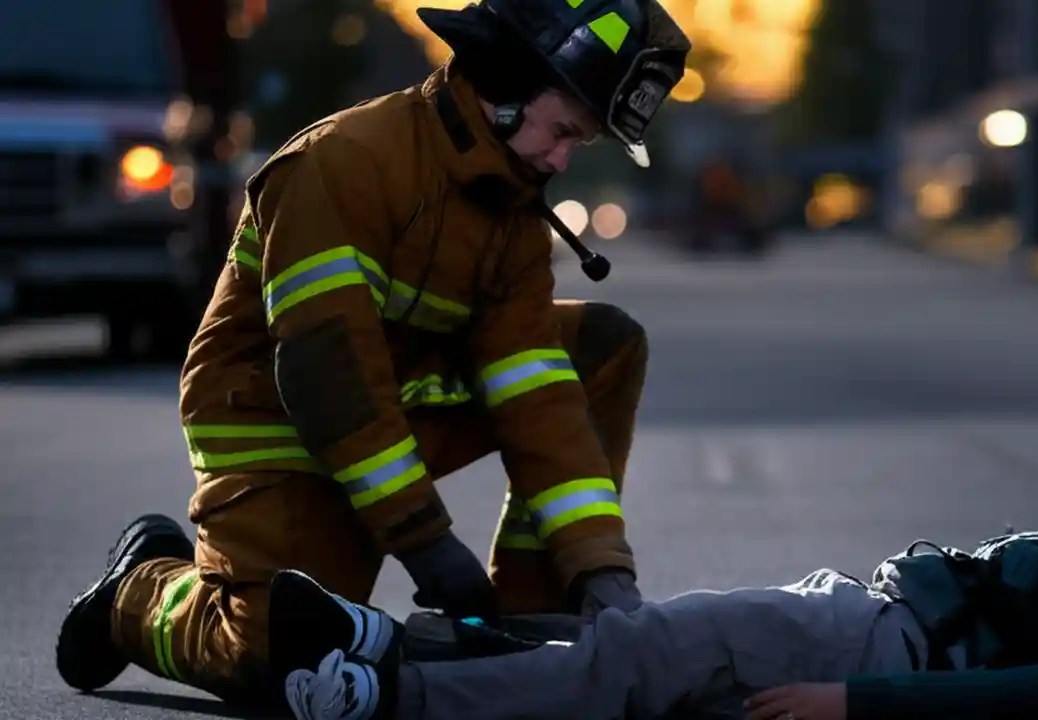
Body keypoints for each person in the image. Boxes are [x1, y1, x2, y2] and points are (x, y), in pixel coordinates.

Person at [54, 0, 691, 707]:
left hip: (390, 411)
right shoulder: (341, 164)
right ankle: (139, 593)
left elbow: (535, 392)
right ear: (508, 84)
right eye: (564, 131)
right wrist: (426, 542)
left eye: (583, 143)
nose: (563, 158)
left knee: (600, 345)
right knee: (276, 656)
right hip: (276, 424)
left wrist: (599, 569)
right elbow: (328, 378)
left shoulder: (511, 214)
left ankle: (530, 627)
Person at [274, 530, 1038, 719]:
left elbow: (1019, 698)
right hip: (881, 629)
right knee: (645, 671)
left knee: (646, 647)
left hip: (884, 651)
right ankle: (383, 646)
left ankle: (390, 695)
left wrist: (856, 701)